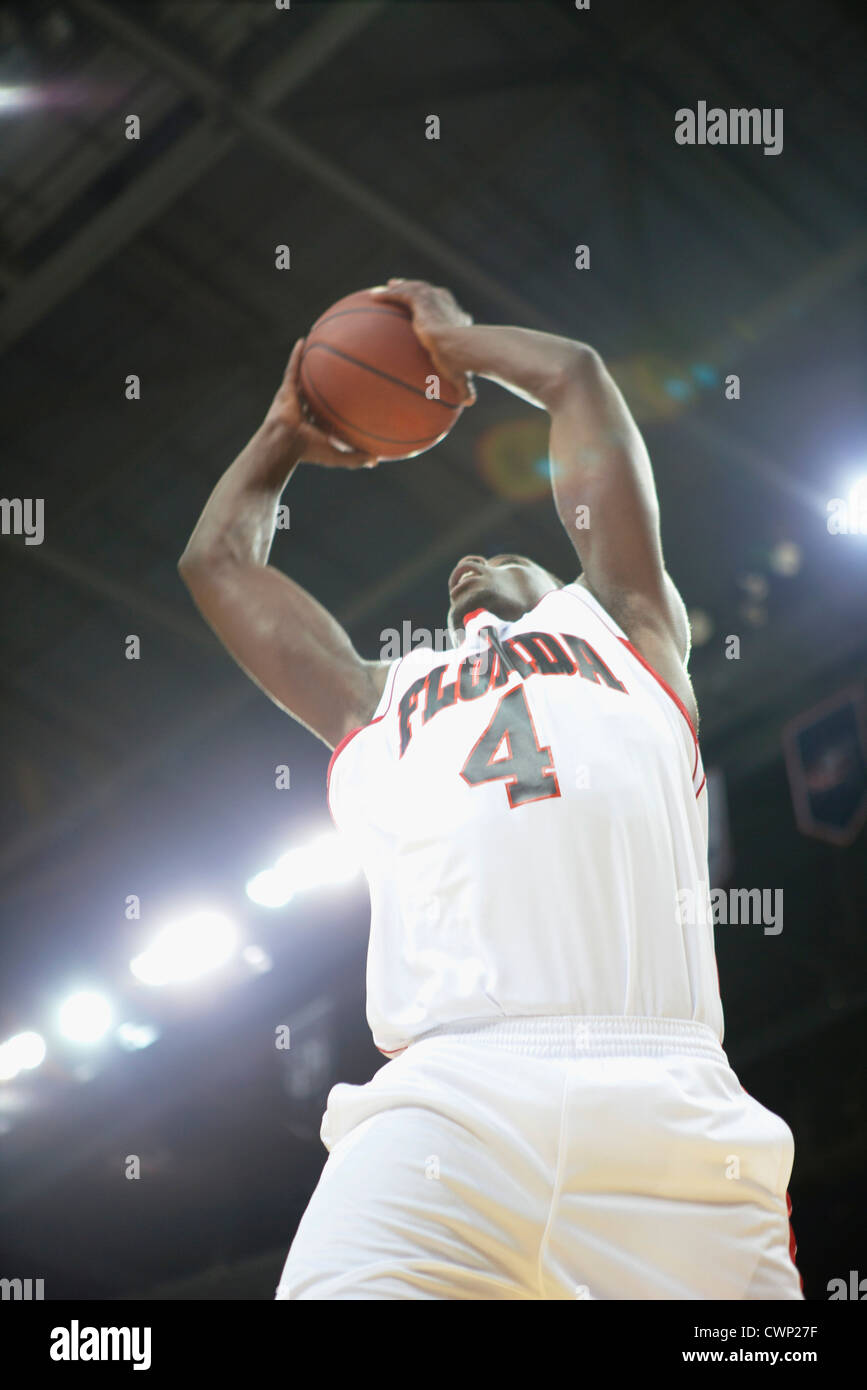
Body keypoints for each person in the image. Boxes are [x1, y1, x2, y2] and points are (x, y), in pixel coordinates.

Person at [179, 278, 802, 1300]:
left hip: (669, 1104)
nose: (470, 561)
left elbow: (577, 378)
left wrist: (455, 347)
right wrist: (284, 431)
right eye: (460, 566)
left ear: (562, 579)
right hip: (449, 1098)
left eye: (504, 551)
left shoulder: (629, 628)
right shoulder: (380, 698)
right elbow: (216, 560)